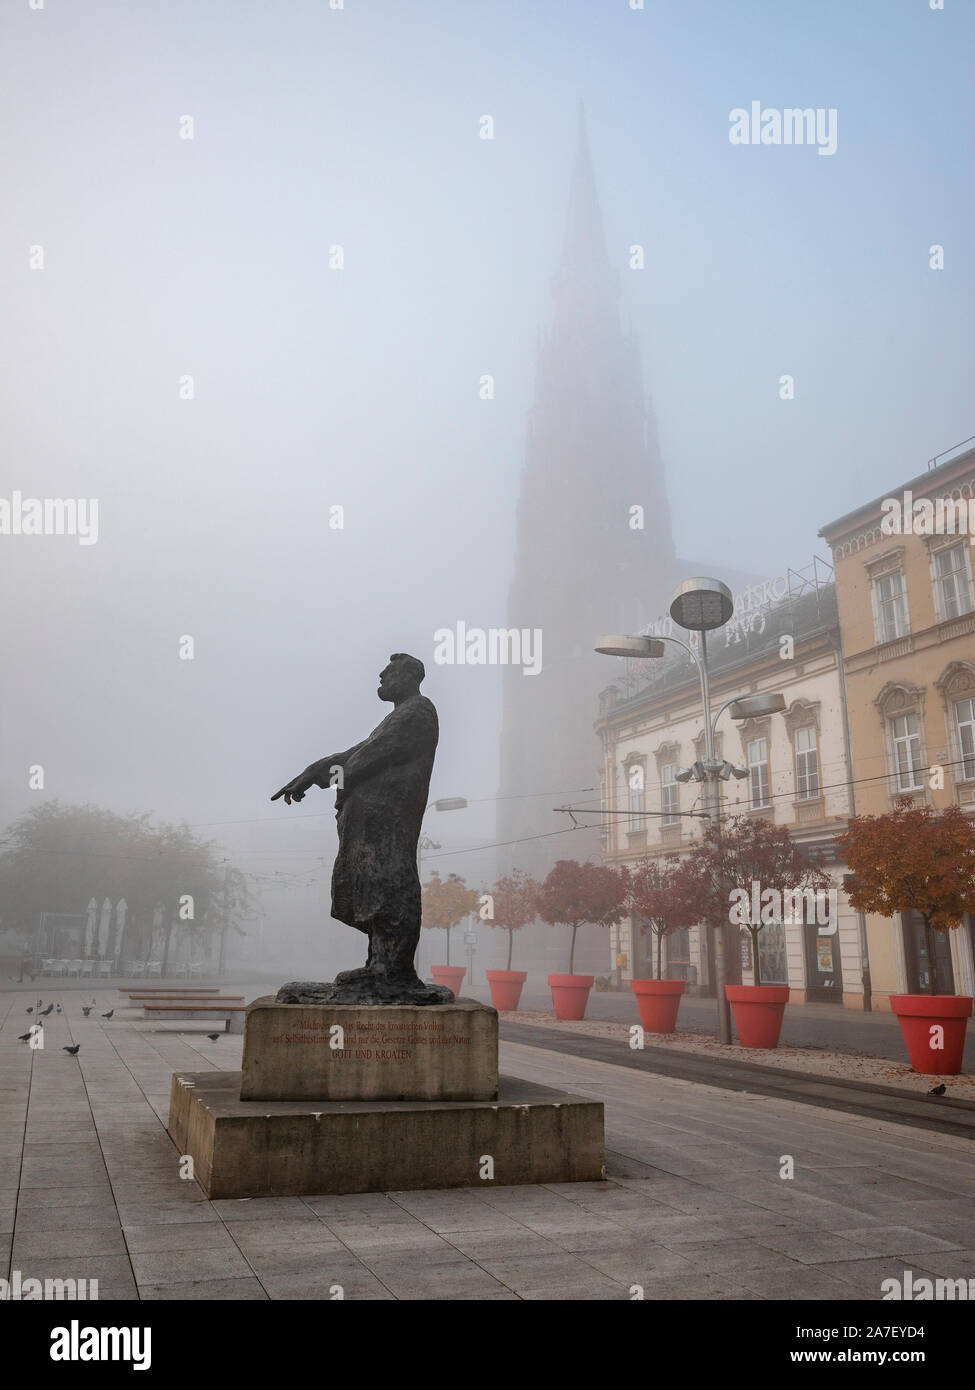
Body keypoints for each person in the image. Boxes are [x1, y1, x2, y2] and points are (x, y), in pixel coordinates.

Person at [272, 653, 445, 1002]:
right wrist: (312, 772)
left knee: (388, 882)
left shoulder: (418, 711)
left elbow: (368, 756)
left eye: (390, 671)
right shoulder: (399, 715)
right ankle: (379, 966)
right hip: (373, 825)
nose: (381, 675)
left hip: (388, 823)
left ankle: (393, 973)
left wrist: (327, 775)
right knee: (372, 884)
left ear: (410, 676)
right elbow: (360, 751)